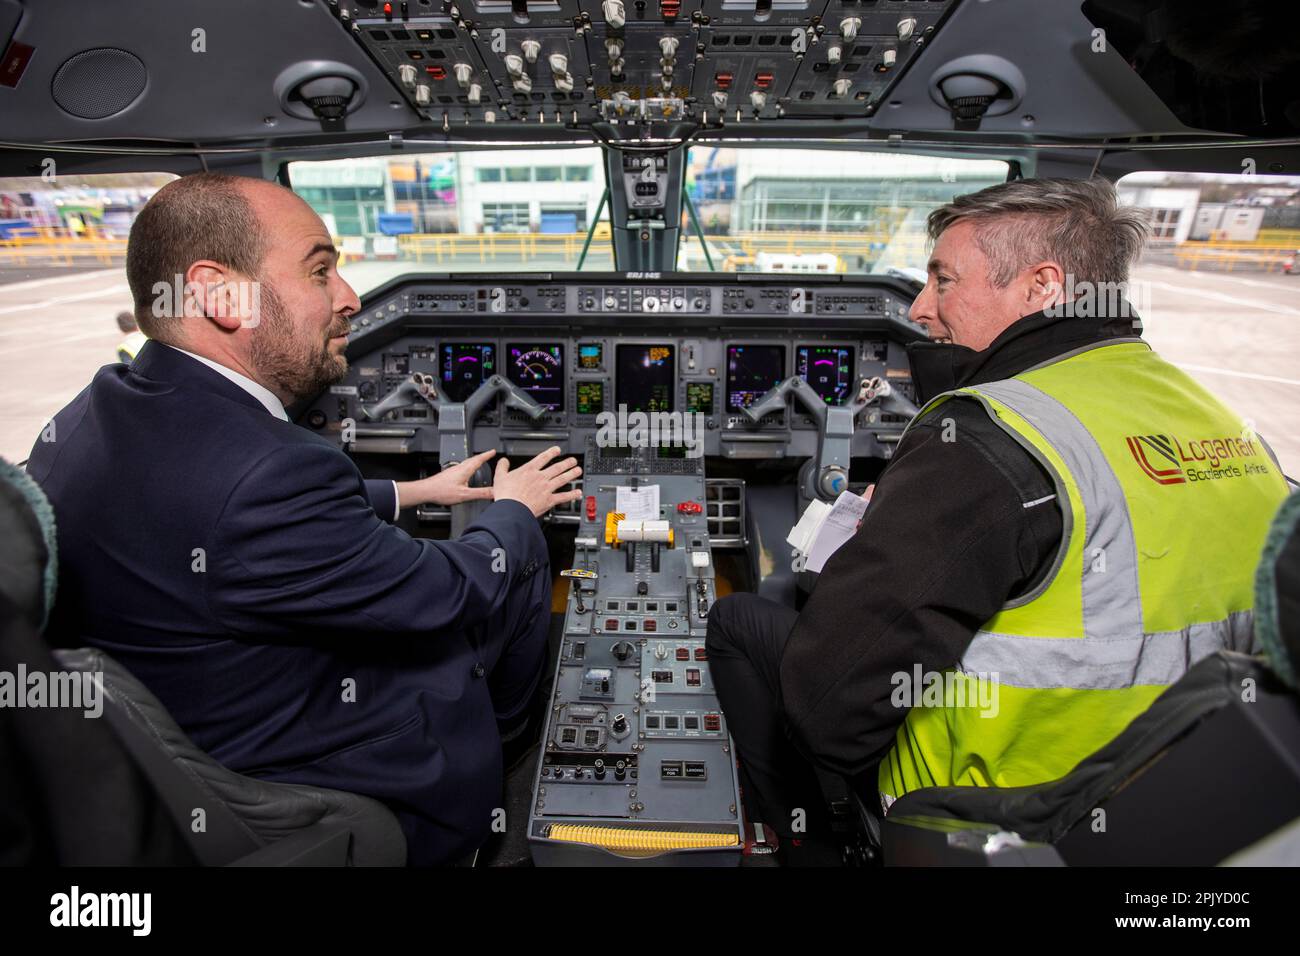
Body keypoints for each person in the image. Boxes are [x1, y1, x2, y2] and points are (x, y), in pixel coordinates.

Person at [705, 177, 1292, 864]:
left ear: (1041, 286)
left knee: (740, 622)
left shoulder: (990, 438)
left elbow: (827, 713)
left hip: (988, 811)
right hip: (1188, 796)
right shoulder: (1221, 420)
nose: (920, 309)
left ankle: (812, 842)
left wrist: (862, 561)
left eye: (943, 281)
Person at [26, 173, 584, 866]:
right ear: (219, 293)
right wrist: (513, 509)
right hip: (317, 776)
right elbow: (449, 592)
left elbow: (234, 523)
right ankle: (504, 757)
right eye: (321, 270)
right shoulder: (268, 474)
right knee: (515, 556)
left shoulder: (93, 412)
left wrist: (412, 494)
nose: (350, 299)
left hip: (199, 738)